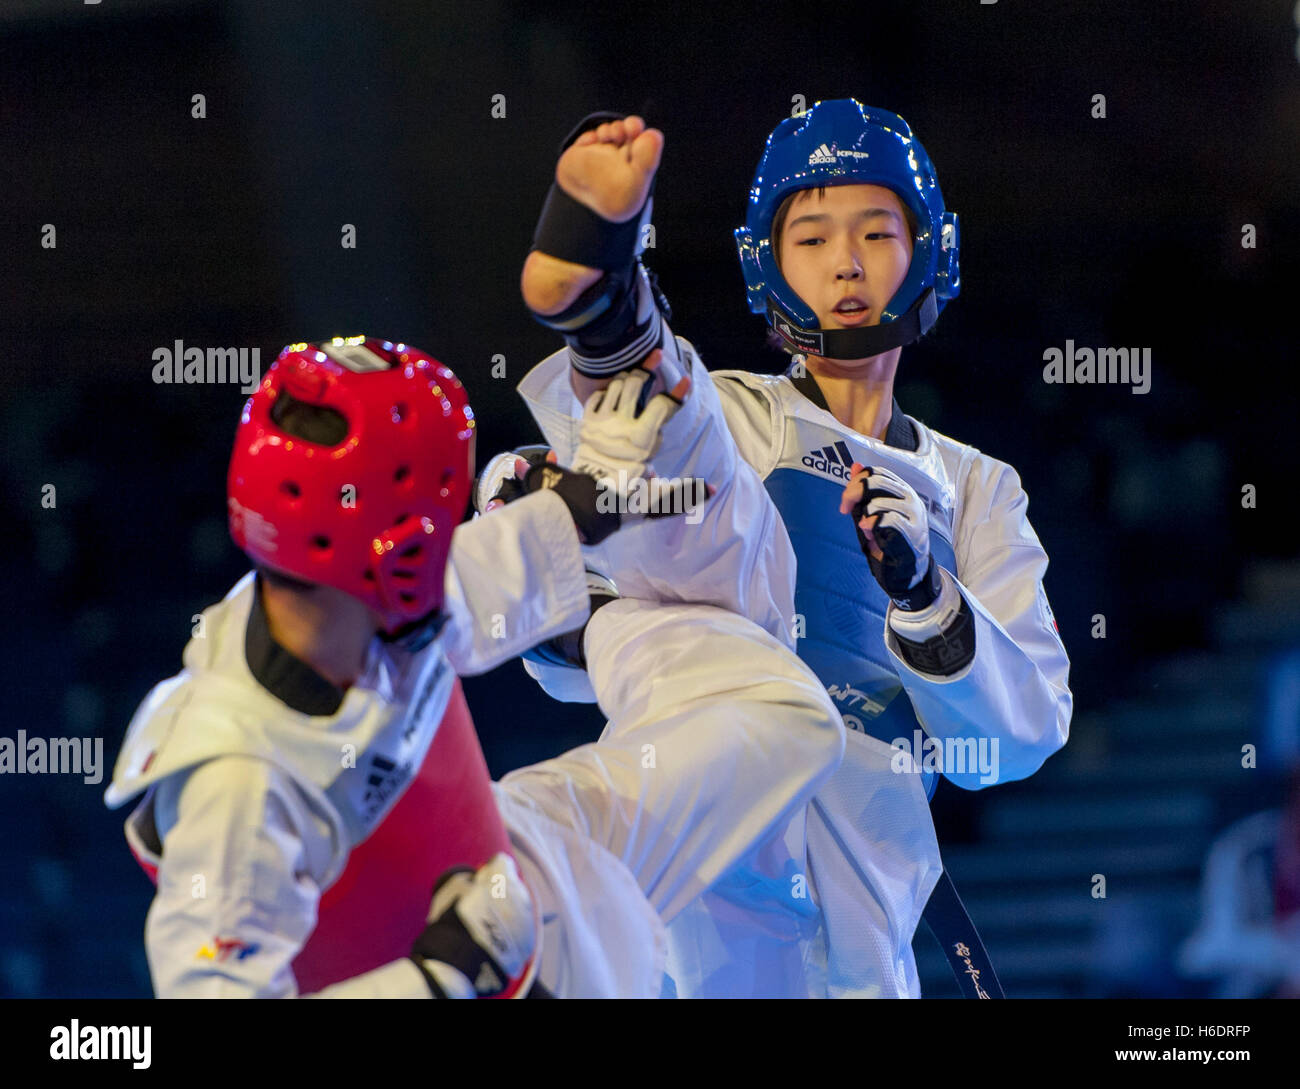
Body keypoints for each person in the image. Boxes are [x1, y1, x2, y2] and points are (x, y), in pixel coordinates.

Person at [515, 100, 1073, 997]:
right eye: (811, 239)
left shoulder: (974, 487)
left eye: (875, 233)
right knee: (684, 453)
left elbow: (1019, 737)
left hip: (867, 865)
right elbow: (572, 648)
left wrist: (925, 594)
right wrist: (574, 586)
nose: (846, 263)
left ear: (929, 247)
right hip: (707, 806)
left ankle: (614, 329)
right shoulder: (740, 413)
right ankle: (612, 319)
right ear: (766, 263)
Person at [106, 336, 842, 997]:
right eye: (440, 512)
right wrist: (441, 973)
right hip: (480, 967)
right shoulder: (236, 786)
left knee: (785, 715)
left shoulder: (331, 594)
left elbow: (449, 592)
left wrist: (584, 504)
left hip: (519, 853)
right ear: (393, 549)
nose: (453, 525)